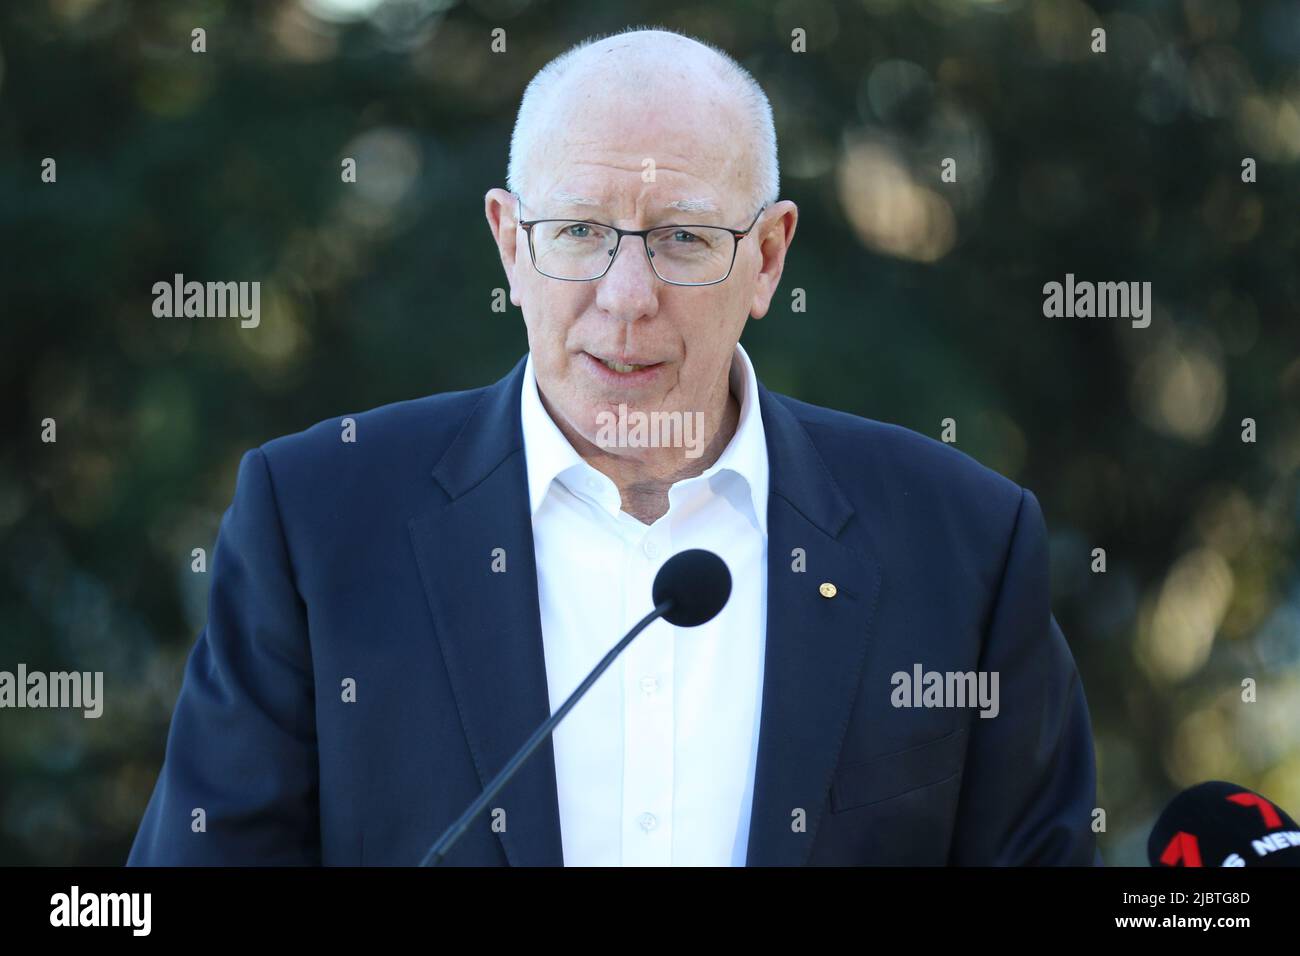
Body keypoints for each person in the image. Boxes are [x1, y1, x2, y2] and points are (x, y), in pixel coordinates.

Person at [128, 26, 1098, 866]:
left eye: (681, 239)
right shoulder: (315, 521)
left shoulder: (962, 542)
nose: (625, 296)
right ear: (510, 243)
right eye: (580, 230)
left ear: (766, 258)